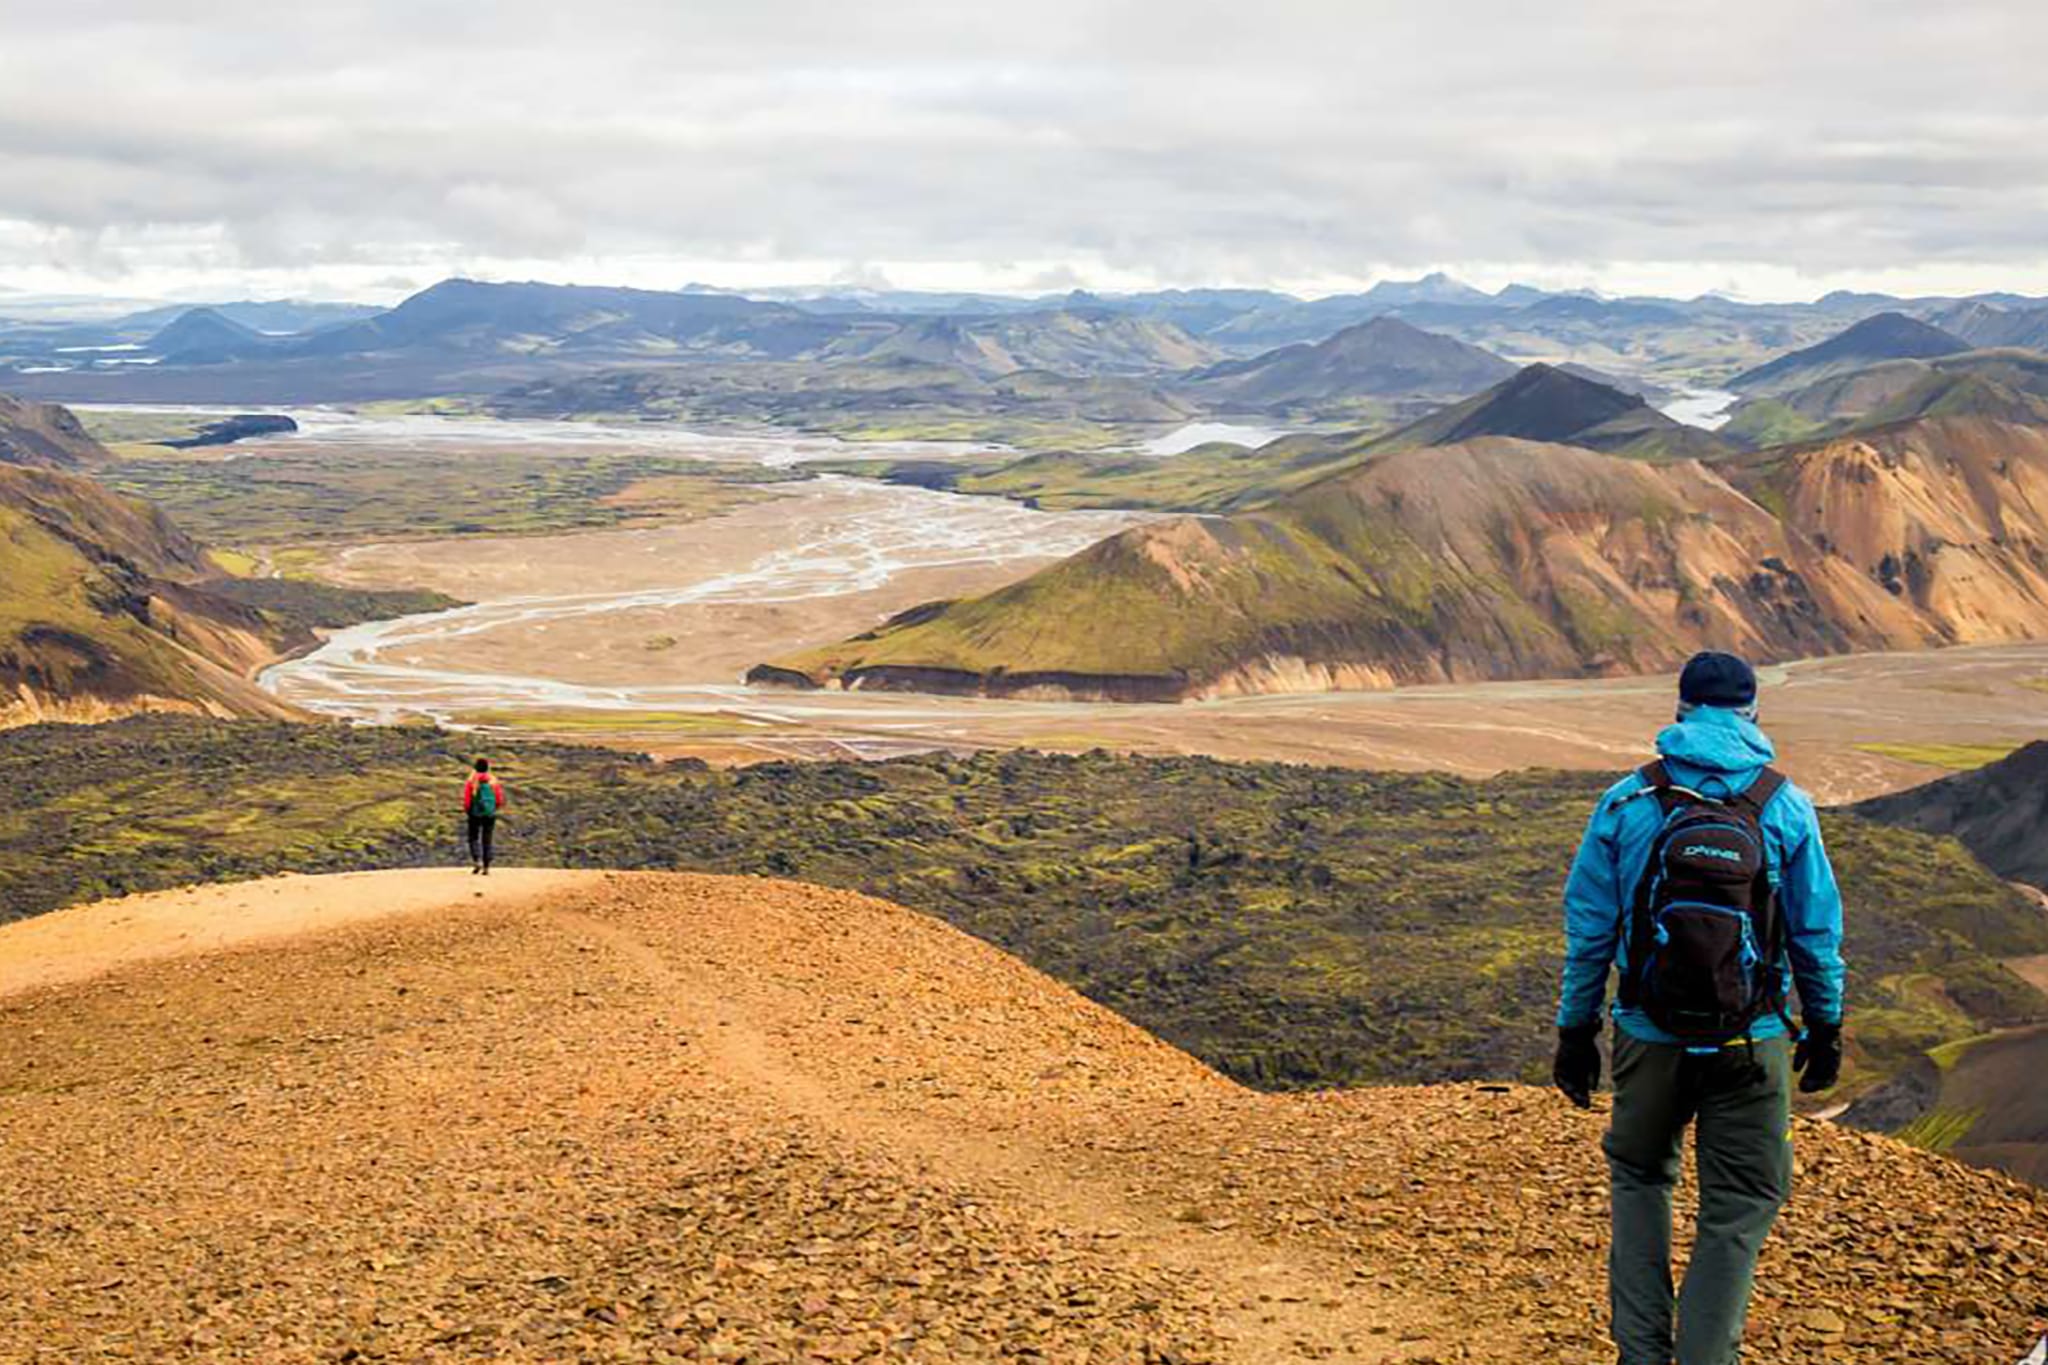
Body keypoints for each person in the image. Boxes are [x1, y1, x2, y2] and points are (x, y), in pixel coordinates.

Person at [1553, 651, 1845, 1365]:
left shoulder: (1627, 800)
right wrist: (1827, 1024)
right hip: (1754, 1037)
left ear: (1682, 707)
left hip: (1648, 1034)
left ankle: (1642, 1354)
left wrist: (1575, 1028)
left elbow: (1589, 928)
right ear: (1751, 711)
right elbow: (1815, 930)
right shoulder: (1784, 804)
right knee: (1739, 1204)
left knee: (1640, 1178)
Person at [462, 757, 506, 876]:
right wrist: (493, 809)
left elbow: (467, 800)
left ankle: (477, 860)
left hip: (474, 813)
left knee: (473, 838)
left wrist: (468, 810)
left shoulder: (471, 781)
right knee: (487, 839)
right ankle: (487, 866)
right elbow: (499, 799)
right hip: (489, 814)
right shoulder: (493, 781)